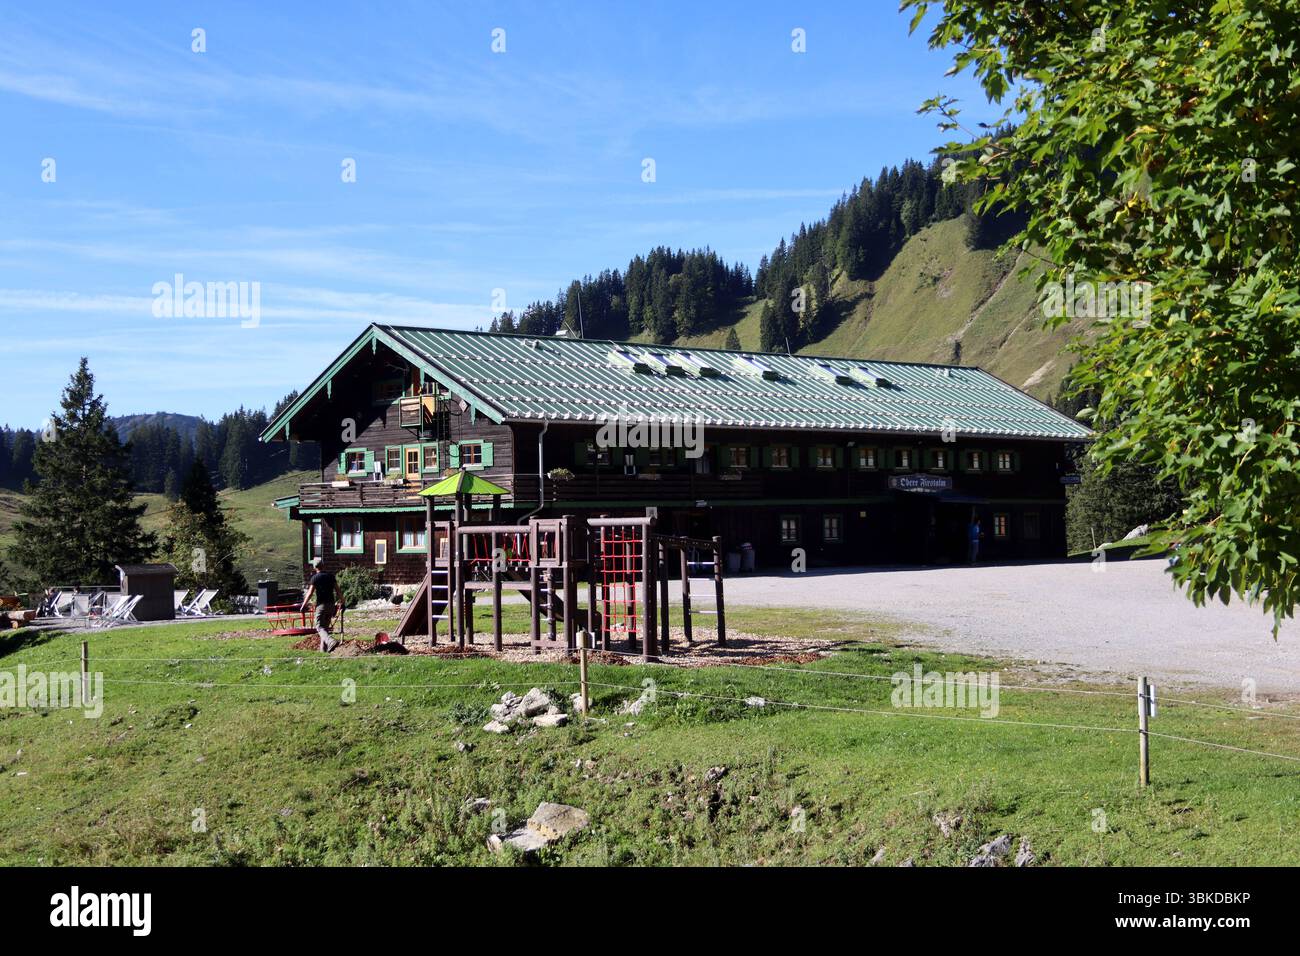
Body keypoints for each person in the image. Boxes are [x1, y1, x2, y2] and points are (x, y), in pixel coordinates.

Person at [301, 558, 339, 652]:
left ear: (315, 568)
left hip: (321, 605)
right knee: (324, 629)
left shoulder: (315, 578)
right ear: (323, 565)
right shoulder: (331, 576)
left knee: (319, 627)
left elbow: (309, 593)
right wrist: (343, 602)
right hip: (331, 605)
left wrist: (303, 605)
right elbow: (338, 591)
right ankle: (323, 651)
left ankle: (330, 641)